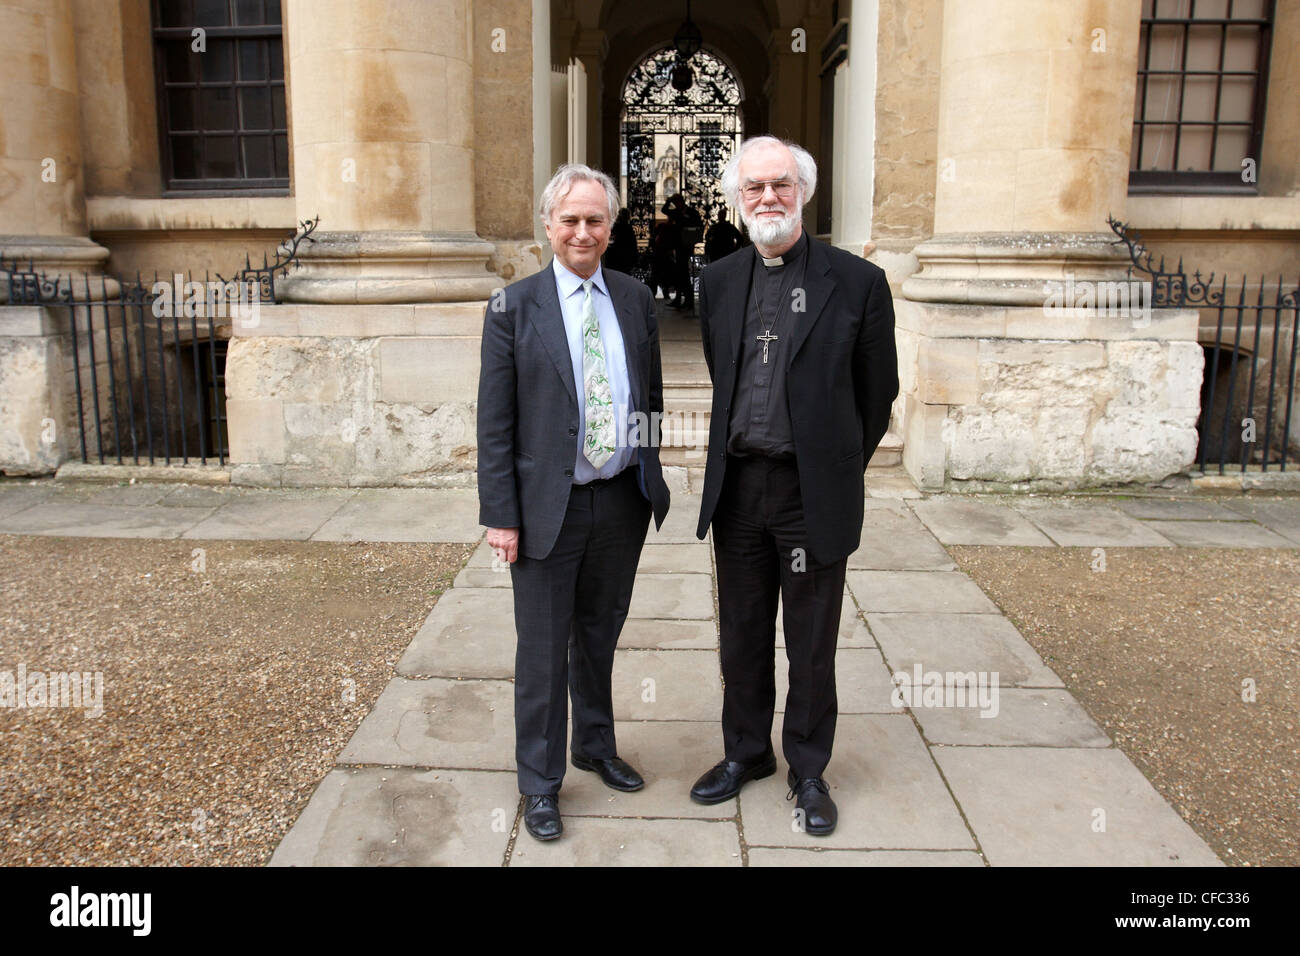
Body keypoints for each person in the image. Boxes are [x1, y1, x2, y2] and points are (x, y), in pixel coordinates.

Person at [689, 136, 898, 835]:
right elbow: (726, 378)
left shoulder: (857, 283)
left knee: (810, 640)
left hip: (811, 496)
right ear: (737, 198)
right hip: (740, 491)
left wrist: (831, 462)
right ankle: (746, 753)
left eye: (781, 184)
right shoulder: (717, 282)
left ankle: (808, 769)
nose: (768, 198)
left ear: (803, 192)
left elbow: (877, 395)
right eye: (754, 188)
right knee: (741, 633)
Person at [477, 163, 671, 842]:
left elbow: (648, 396)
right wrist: (501, 514)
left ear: (611, 229)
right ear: (548, 227)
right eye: (570, 220)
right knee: (541, 649)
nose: (582, 231)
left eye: (594, 220)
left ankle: (594, 743)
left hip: (619, 500)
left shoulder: (634, 298)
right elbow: (494, 422)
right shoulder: (512, 307)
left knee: (599, 633)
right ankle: (539, 783)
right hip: (543, 509)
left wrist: (649, 467)